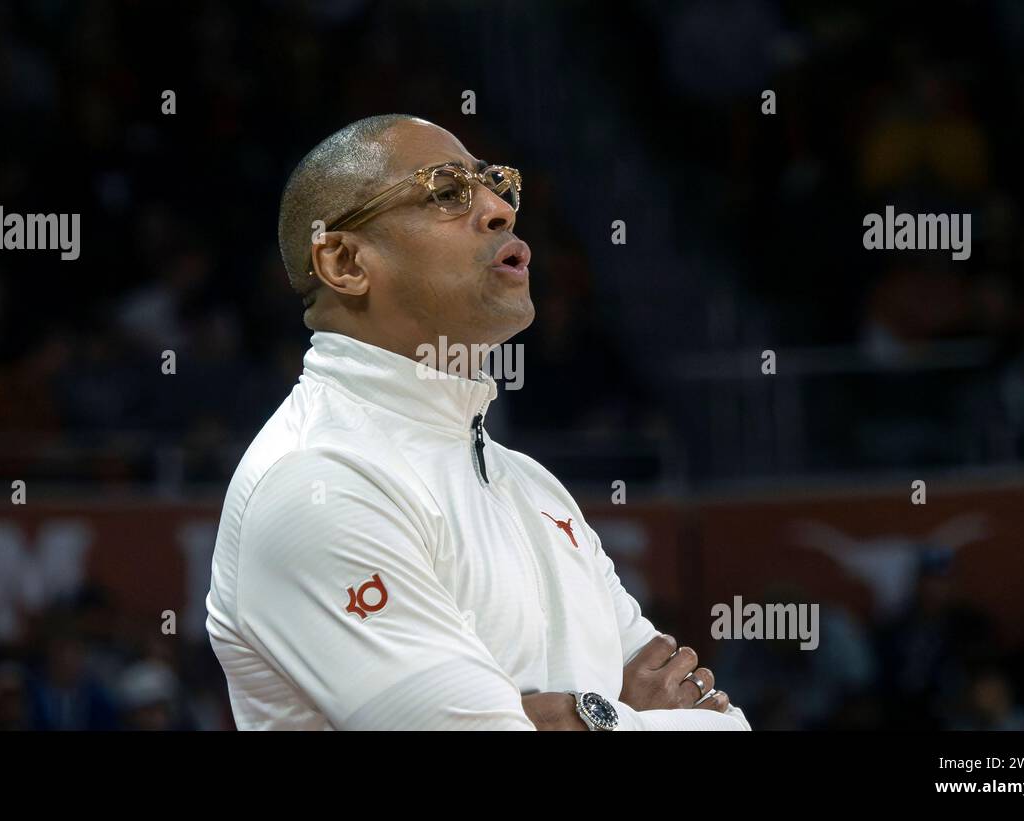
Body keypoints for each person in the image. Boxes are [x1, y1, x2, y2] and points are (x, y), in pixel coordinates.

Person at [205, 113, 749, 730]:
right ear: (345, 262)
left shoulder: (535, 487)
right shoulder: (315, 479)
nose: (499, 210)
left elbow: (726, 725)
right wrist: (612, 712)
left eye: (496, 185)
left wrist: (574, 718)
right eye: (445, 192)